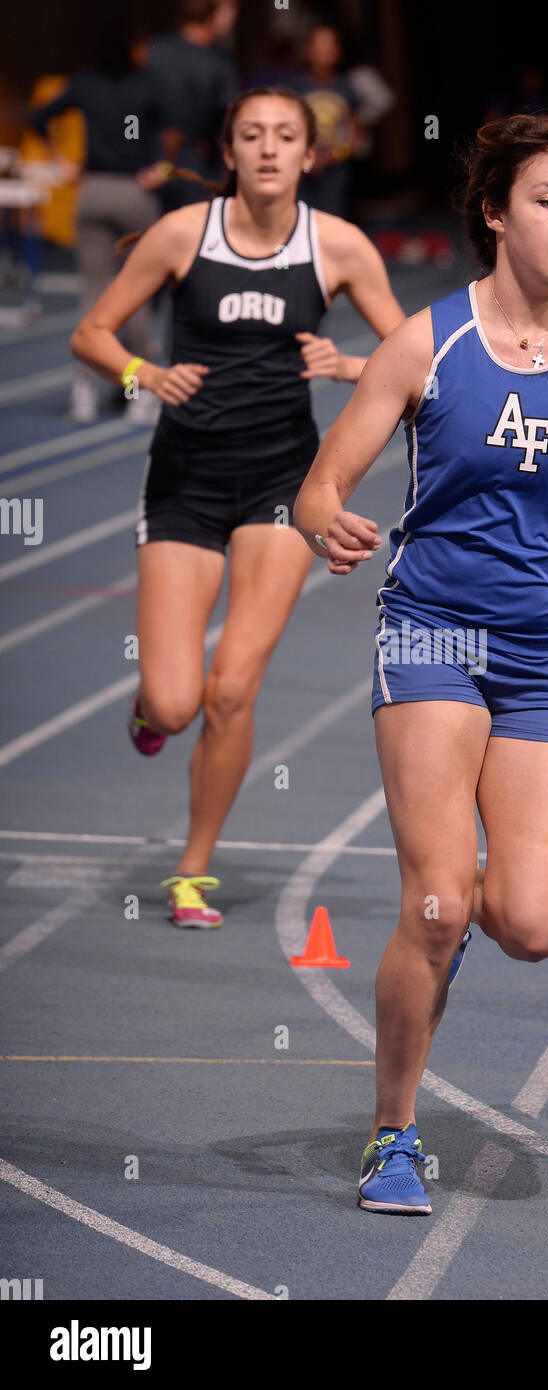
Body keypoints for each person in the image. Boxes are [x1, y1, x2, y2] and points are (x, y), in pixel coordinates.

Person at [292, 112, 548, 1215]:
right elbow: (321, 483)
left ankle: (453, 927)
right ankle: (392, 1133)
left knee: (525, 923)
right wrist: (326, 519)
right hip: (431, 634)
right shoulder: (426, 342)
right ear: (492, 211)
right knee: (433, 902)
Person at [69, 87, 404, 929]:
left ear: (308, 156)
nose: (267, 149)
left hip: (282, 487)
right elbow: (93, 332)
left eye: (284, 136)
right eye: (251, 135)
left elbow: (415, 363)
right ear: (228, 151)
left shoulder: (341, 247)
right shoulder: (185, 234)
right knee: (178, 701)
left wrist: (348, 364)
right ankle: (151, 705)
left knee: (231, 690)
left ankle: (191, 871)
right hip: (185, 480)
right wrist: (141, 376)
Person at [26, 18, 170, 425]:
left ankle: (83, 391)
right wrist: (161, 167)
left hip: (92, 192)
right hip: (133, 192)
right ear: (132, 49)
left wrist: (62, 161)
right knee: (136, 296)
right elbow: (173, 132)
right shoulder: (146, 84)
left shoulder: (85, 83)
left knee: (92, 294)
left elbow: (39, 117)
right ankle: (138, 392)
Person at [146, 0, 241, 215]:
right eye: (229, 10)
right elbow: (231, 117)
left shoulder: (154, 50)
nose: (232, 17)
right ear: (213, 14)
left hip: (158, 165)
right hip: (187, 165)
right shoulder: (218, 61)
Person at [289, 24, 362, 217]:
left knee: (332, 223)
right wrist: (303, 159)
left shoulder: (347, 89)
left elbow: (354, 138)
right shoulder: (292, 88)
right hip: (299, 172)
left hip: (335, 174)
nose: (323, 52)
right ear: (308, 51)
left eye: (329, 47)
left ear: (338, 51)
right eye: (318, 46)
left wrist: (330, 157)